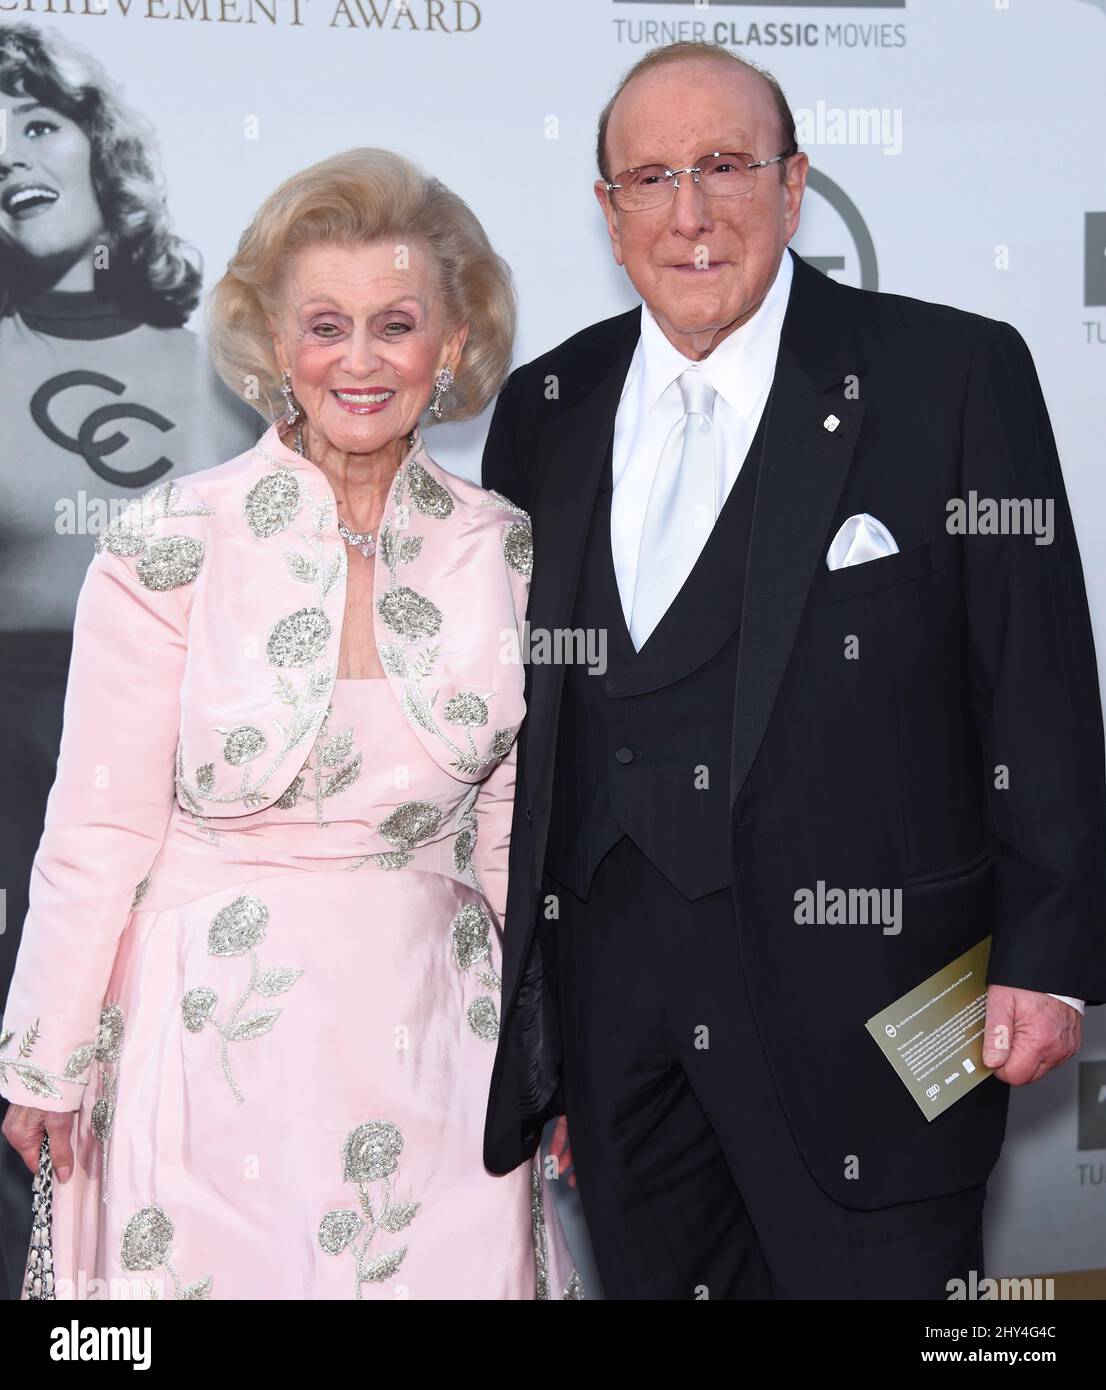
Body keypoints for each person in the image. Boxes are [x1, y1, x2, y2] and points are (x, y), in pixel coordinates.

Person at [481, 41, 1106, 1299]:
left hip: (876, 1000)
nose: (690, 213)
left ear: (794, 181)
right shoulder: (546, 403)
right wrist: (540, 1035)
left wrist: (1047, 953)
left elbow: (1036, 687)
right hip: (619, 1022)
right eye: (649, 178)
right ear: (607, 216)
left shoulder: (950, 374)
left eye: (723, 165)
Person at [0, 146, 581, 1300]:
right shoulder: (170, 539)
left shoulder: (505, 548)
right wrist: (45, 1060)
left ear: (452, 345)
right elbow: (99, 825)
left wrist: (552, 1059)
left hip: (439, 1042)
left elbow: (520, 834)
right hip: (209, 1041)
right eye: (324, 325)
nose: (358, 361)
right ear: (274, 344)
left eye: (396, 323)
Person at [0, 21, 257, 1299]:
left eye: (37, 124)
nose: (12, 159)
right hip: (15, 787)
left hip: (216, 790)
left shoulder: (240, 357)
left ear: (103, 151)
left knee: (200, 1101)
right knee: (25, 1115)